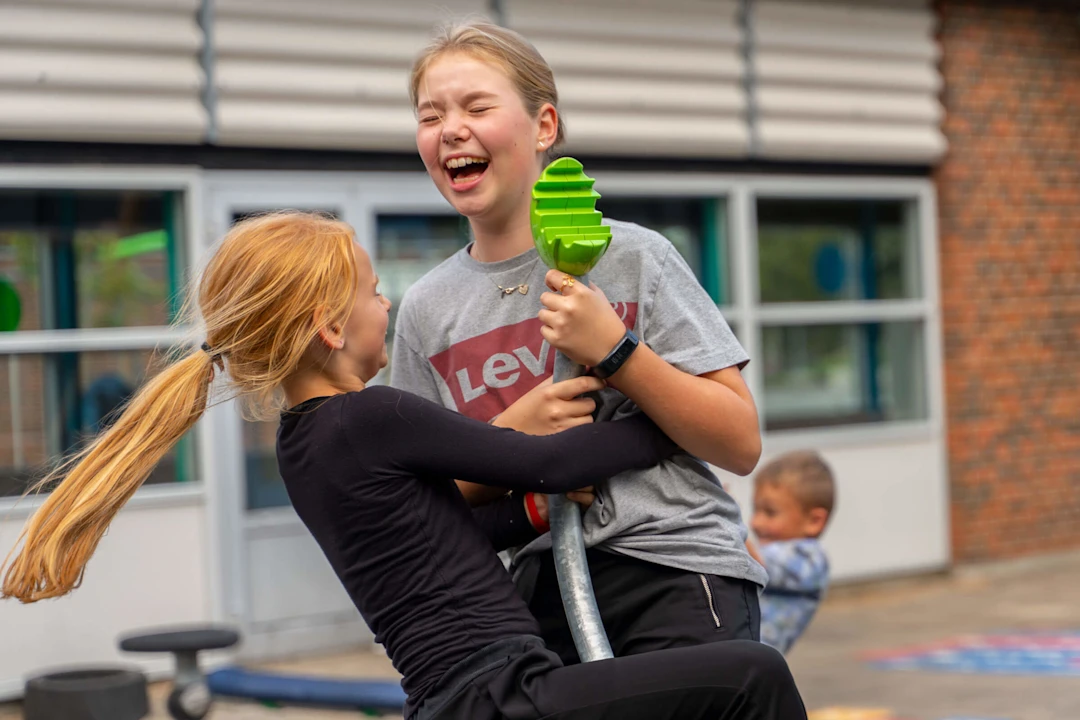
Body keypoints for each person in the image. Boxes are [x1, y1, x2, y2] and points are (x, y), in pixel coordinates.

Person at [1, 212, 806, 720]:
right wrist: (661, 400)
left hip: (456, 700)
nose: (388, 305)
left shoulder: (304, 442)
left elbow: (453, 530)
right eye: (374, 292)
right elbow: (552, 459)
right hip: (504, 695)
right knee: (752, 677)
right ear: (327, 326)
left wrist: (526, 509)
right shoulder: (371, 414)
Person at [393, 19, 767, 665]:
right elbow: (417, 506)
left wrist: (617, 351)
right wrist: (508, 442)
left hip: (674, 567)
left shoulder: (634, 257)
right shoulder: (426, 311)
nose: (451, 128)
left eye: (477, 106)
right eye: (431, 115)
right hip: (534, 596)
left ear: (544, 127)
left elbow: (738, 441)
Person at [746, 450, 835, 655]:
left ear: (814, 521)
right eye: (755, 510)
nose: (755, 522)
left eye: (770, 513)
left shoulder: (810, 559)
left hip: (752, 665)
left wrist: (724, 520)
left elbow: (756, 562)